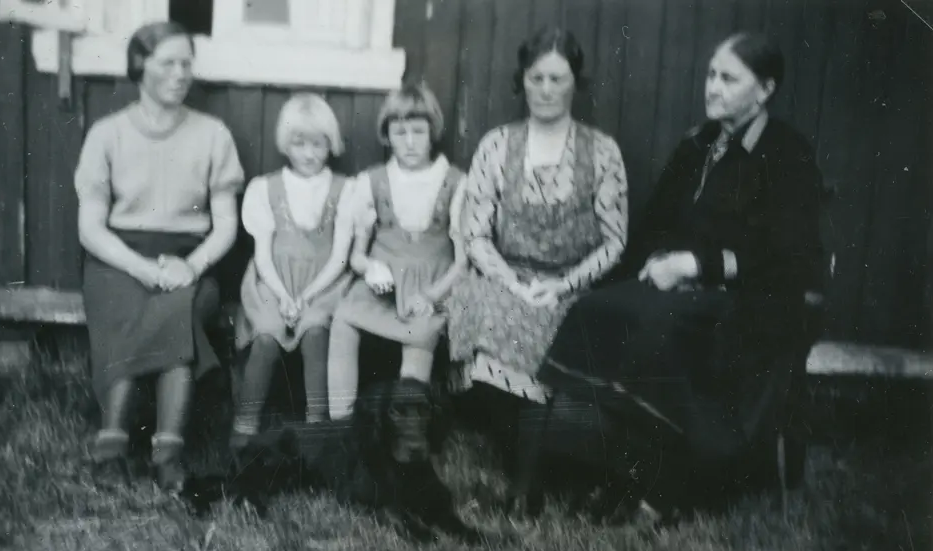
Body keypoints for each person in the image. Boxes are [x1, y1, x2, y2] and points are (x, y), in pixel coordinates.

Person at [538, 32, 826, 515]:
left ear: (765, 89)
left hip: (753, 296)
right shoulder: (698, 144)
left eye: (729, 78)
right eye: (711, 75)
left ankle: (663, 488)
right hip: (681, 284)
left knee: (659, 331)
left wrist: (699, 265)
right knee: (599, 310)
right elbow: (656, 222)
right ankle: (609, 467)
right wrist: (656, 261)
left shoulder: (786, 153)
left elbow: (789, 254)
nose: (712, 87)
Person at [444, 27, 628, 470]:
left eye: (557, 79)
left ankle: (530, 470)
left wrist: (562, 285)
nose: (545, 90)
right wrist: (512, 282)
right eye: (536, 78)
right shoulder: (496, 145)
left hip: (571, 284)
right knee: (489, 312)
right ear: (522, 80)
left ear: (574, 83)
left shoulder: (602, 151)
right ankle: (518, 456)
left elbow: (615, 240)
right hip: (504, 277)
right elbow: (475, 235)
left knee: (565, 326)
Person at [74, 21, 245, 492]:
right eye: (167, 62)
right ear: (139, 66)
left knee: (179, 306)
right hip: (117, 258)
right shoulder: (107, 135)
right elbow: (90, 226)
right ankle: (125, 447)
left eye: (187, 63)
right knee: (142, 308)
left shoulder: (213, 135)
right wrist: (140, 267)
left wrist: (192, 265)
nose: (180, 73)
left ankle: (152, 451)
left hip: (191, 257)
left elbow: (226, 223)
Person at [326, 82, 467, 421]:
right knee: (344, 320)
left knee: (421, 334)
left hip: (433, 285)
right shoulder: (372, 182)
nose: (409, 142)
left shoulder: (454, 182)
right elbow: (358, 255)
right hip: (384, 286)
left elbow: (463, 260)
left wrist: (433, 295)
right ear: (386, 135)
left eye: (418, 131)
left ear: (432, 133)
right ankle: (339, 423)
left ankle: (408, 428)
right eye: (399, 132)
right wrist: (370, 268)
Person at [230, 93, 356, 448]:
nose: (308, 153)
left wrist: (306, 296)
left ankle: (316, 429)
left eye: (317, 143)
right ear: (286, 143)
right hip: (272, 282)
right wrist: (285, 295)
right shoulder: (265, 188)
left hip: (325, 284)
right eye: (299, 143)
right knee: (267, 333)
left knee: (316, 330)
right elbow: (263, 256)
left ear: (329, 143)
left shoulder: (346, 190)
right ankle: (244, 425)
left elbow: (340, 258)